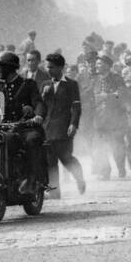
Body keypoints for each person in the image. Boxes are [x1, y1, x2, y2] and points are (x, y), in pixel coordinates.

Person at [0, 52, 47, 194]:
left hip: (25, 127)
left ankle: (31, 179)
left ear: (9, 68)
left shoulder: (28, 84)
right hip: (4, 128)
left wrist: (38, 115)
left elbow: (38, 102)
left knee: (32, 140)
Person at [40, 53, 85, 197]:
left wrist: (73, 124)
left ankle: (79, 178)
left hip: (64, 129)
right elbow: (41, 107)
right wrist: (42, 97)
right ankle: (54, 193)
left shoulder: (71, 85)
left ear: (60, 67)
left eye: (52, 67)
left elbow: (76, 107)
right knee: (50, 162)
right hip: (47, 130)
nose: (49, 70)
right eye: (47, 67)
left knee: (66, 159)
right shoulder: (45, 85)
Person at [90, 54, 126, 180]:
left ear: (107, 66)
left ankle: (121, 167)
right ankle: (105, 172)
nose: (96, 66)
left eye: (99, 64)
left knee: (117, 146)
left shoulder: (117, 79)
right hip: (99, 119)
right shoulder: (95, 80)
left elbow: (122, 94)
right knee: (100, 147)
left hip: (115, 119)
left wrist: (107, 96)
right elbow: (91, 97)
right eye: (97, 64)